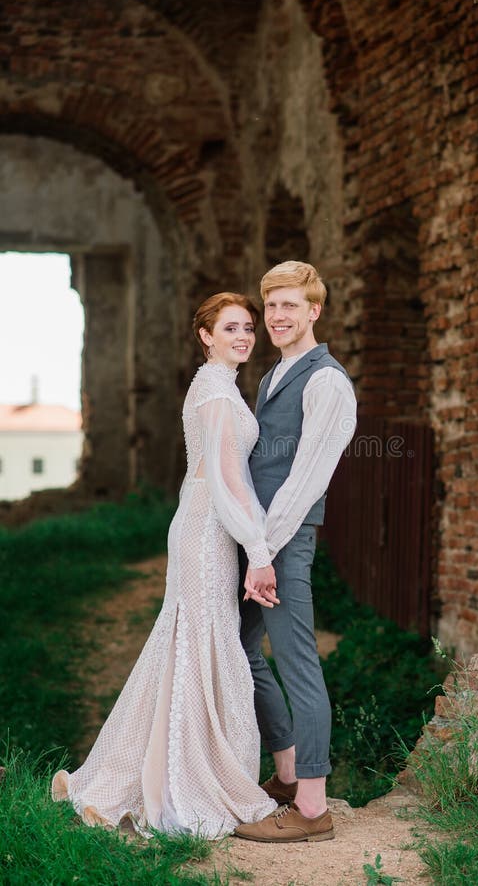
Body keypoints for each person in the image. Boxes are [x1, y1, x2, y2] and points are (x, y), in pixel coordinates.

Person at [51, 293, 279, 838]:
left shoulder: (216, 385)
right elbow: (228, 482)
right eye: (230, 328)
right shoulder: (216, 393)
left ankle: (129, 771)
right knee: (203, 642)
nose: (244, 336)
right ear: (205, 335)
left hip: (203, 524)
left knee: (187, 645)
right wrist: (261, 549)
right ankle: (183, 782)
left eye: (248, 327)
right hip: (206, 530)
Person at [234, 261, 357, 844]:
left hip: (283, 543)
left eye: (291, 306)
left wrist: (266, 551)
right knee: (239, 648)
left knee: (296, 660)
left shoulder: (326, 381)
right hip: (259, 541)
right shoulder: (273, 375)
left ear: (314, 311)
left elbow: (306, 479)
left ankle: (312, 806)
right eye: (272, 307)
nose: (279, 317)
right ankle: (286, 770)